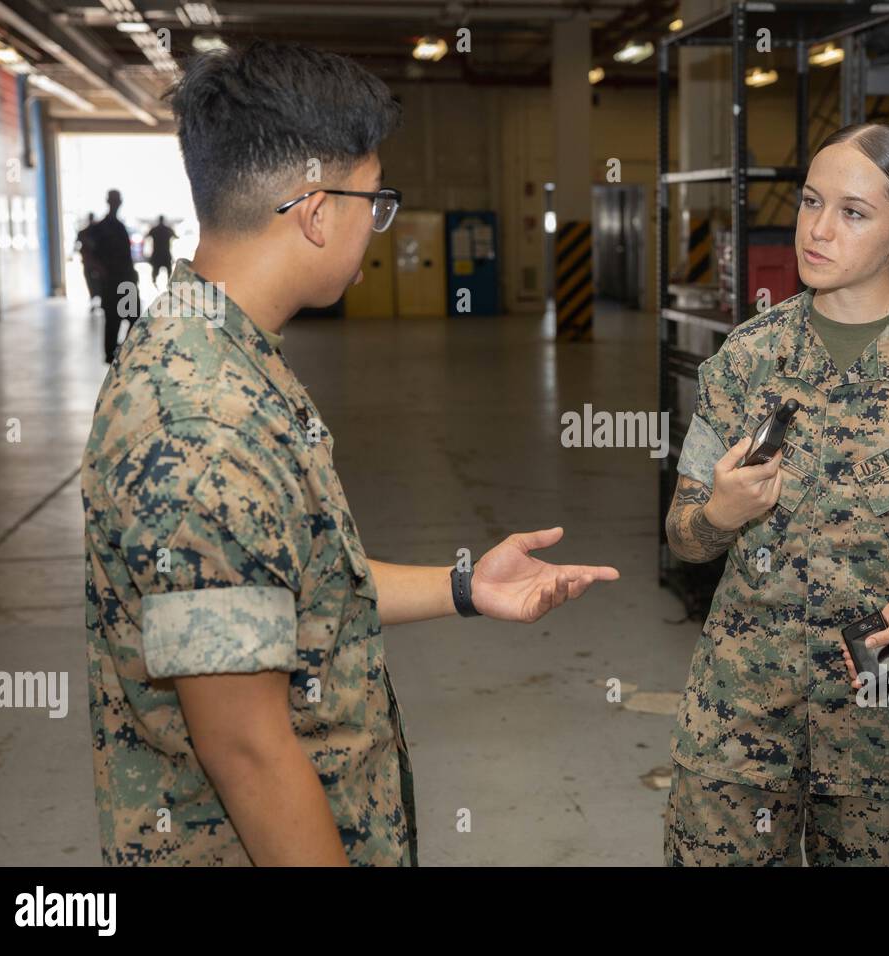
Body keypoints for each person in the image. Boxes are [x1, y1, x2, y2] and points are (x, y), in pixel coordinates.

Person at [81, 39, 620, 867]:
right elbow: (248, 752)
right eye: (375, 199)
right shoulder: (204, 424)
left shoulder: (222, 353)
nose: (377, 223)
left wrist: (467, 587)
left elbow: (301, 585)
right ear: (316, 208)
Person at [663, 122, 889, 866]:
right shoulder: (745, 359)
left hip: (888, 720)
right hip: (742, 713)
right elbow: (682, 533)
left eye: (853, 213)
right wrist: (719, 514)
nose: (818, 230)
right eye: (809, 202)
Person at [88, 189, 139, 362]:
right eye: (114, 200)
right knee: (113, 319)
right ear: (109, 202)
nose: (117, 203)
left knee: (134, 317)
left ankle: (122, 350)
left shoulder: (119, 226)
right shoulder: (100, 228)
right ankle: (111, 354)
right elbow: (86, 249)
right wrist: (100, 270)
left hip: (126, 280)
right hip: (112, 282)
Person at [74, 212, 102, 312]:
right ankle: (95, 298)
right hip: (91, 262)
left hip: (91, 263)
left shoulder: (88, 232)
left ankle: (95, 297)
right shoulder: (91, 232)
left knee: (93, 282)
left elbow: (76, 246)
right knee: (93, 282)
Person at [146, 215, 176, 288]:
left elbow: (147, 236)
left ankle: (154, 283)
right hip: (165, 253)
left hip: (157, 254)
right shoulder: (168, 229)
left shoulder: (154, 229)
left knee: (155, 270)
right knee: (169, 270)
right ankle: (169, 283)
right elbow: (175, 236)